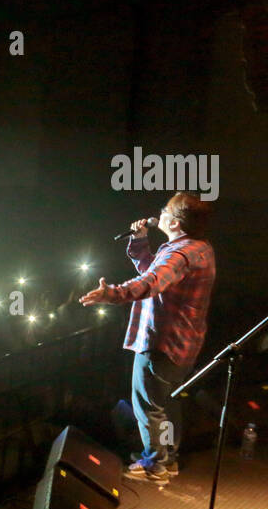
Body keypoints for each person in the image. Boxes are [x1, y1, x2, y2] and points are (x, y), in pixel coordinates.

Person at [80, 192, 216, 484]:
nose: (160, 214)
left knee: (147, 404)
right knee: (168, 402)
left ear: (176, 223)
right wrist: (141, 243)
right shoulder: (199, 248)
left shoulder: (178, 254)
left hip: (162, 342)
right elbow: (157, 274)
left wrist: (112, 294)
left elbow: (151, 283)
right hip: (185, 343)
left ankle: (156, 465)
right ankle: (169, 459)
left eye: (165, 210)